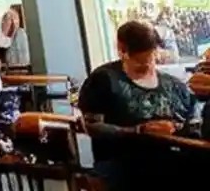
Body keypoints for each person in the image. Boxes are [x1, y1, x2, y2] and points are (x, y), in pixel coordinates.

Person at [78, 21, 195, 188]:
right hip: (123, 162)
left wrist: (180, 129)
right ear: (122, 51)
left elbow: (192, 120)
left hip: (171, 157)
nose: (147, 65)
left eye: (151, 58)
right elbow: (91, 125)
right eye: (140, 62)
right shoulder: (104, 80)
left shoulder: (175, 86)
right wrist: (139, 131)